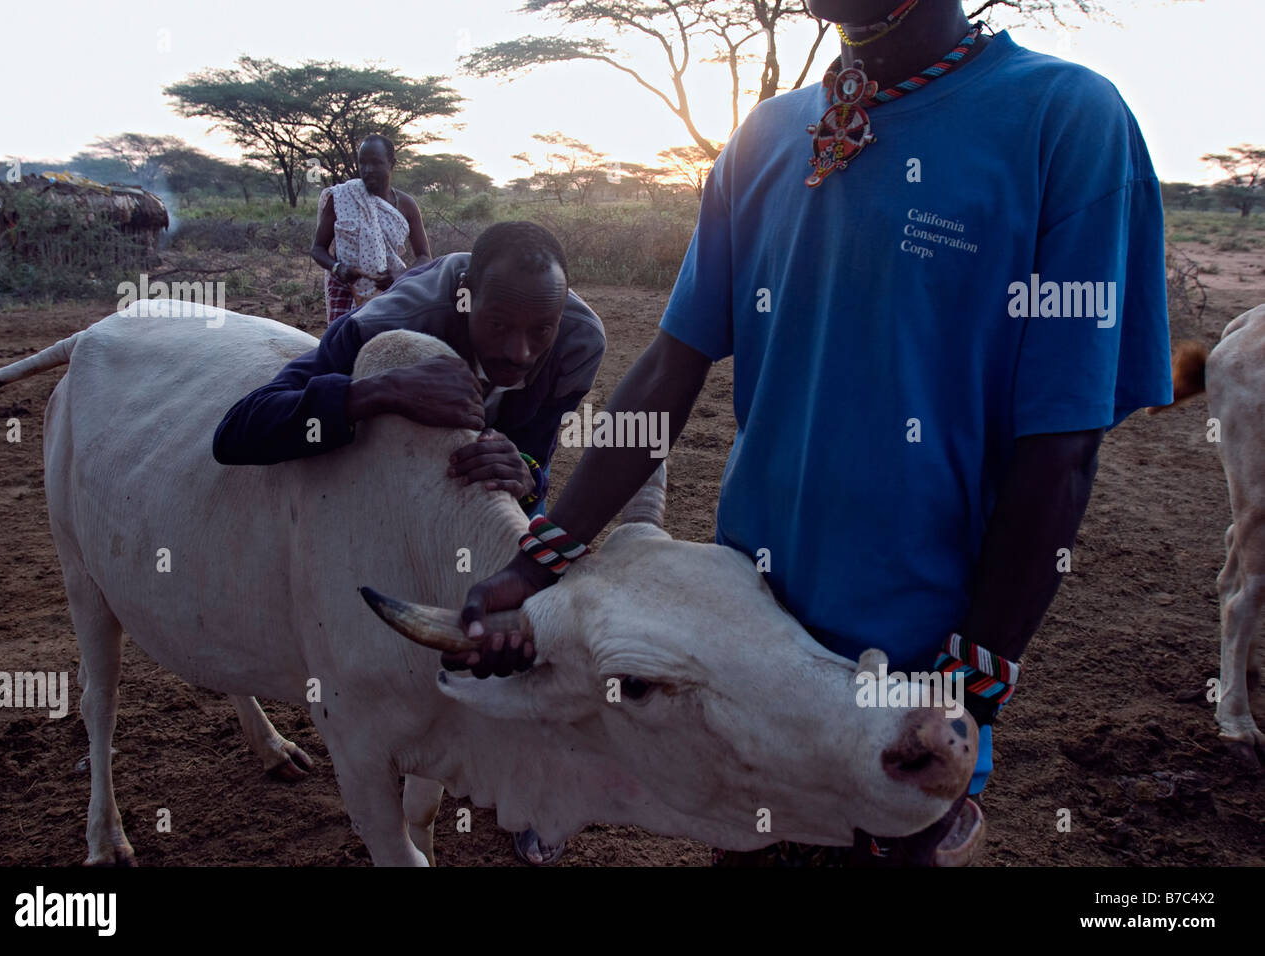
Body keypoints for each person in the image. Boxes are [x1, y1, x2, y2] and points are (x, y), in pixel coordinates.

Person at [449, 0, 1174, 866]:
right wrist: (541, 557)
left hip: (907, 677)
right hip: (739, 655)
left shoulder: (1067, 122)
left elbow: (1061, 450)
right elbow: (671, 368)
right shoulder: (765, 135)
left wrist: (967, 695)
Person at [215, 221, 605, 865]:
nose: (522, 352)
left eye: (542, 329)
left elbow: (537, 455)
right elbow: (238, 432)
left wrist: (525, 470)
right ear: (465, 300)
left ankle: (527, 788)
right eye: (501, 325)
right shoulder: (389, 322)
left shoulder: (579, 342)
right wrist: (380, 391)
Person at [311, 133, 432, 325]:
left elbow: (425, 257)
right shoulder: (342, 197)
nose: (367, 170)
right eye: (362, 163)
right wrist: (338, 268)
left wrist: (399, 276)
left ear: (392, 163)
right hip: (346, 290)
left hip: (390, 291)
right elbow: (317, 249)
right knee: (342, 348)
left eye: (376, 163)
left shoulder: (407, 205)